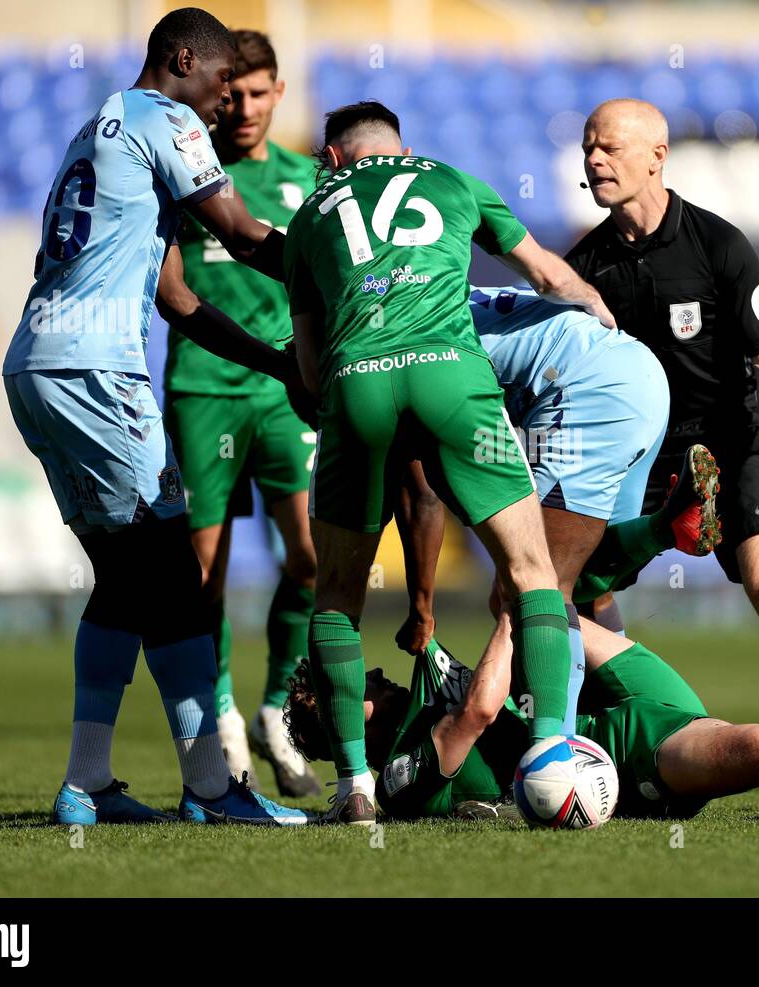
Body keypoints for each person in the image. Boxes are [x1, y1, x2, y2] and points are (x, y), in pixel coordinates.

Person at [2, 7, 308, 825]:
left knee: (129, 581)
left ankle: (87, 783)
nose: (223, 102)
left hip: (36, 365)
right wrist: (340, 258)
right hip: (97, 368)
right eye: (219, 82)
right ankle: (213, 787)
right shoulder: (167, 118)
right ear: (183, 62)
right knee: (175, 579)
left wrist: (278, 361)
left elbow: (176, 297)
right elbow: (242, 233)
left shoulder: (101, 129)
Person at [283, 101, 614, 824]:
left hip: (356, 386)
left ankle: (356, 786)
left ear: (337, 159)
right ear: (401, 148)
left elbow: (308, 369)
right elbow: (547, 273)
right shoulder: (455, 181)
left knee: (337, 597)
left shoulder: (311, 215)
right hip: (458, 388)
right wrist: (596, 305)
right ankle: (554, 753)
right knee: (533, 571)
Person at [564, 98, 759, 765]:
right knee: (574, 593)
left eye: (610, 148)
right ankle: (607, 736)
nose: (594, 159)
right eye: (589, 147)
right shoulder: (583, 268)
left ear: (656, 157)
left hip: (730, 447)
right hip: (635, 461)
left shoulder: (717, 244)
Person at [283, 619, 759, 822]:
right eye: (350, 685)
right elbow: (482, 705)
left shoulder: (410, 686)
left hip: (608, 695)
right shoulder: (404, 774)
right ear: (349, 719)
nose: (367, 673)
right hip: (608, 745)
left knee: (562, 602)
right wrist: (520, 598)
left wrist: (534, 598)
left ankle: (665, 531)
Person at [393, 284, 722, 733]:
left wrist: (422, 610)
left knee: (533, 591)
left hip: (583, 391)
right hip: (639, 374)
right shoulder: (436, 289)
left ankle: (558, 752)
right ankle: (662, 532)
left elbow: (422, 496)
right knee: (595, 580)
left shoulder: (390, 348)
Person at [162, 30, 321, 796]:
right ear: (218, 96)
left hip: (284, 390)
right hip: (205, 384)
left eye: (261, 94)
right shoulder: (192, 172)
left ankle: (276, 706)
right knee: (206, 571)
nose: (246, 108)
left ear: (279, 93)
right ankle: (219, 712)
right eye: (235, 95)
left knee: (313, 556)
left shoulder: (306, 179)